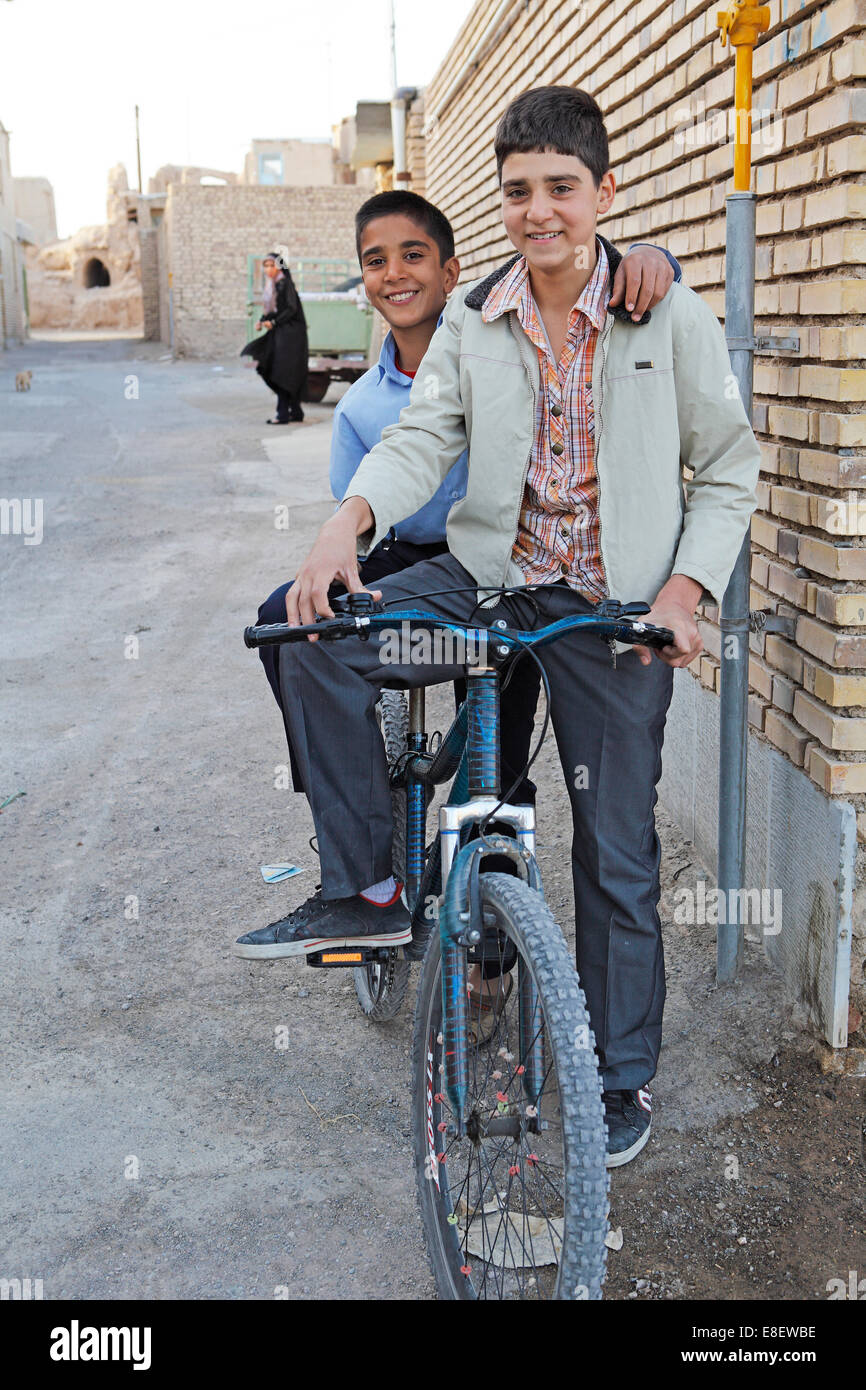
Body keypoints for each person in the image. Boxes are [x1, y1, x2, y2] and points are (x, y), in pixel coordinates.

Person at [234, 86, 760, 1166]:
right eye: (517, 190)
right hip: (486, 587)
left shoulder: (668, 311)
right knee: (306, 631)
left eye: (561, 188)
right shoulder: (476, 318)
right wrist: (346, 523)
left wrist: (682, 595)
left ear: (603, 193)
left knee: (615, 852)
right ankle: (367, 887)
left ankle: (619, 1077)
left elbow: (726, 470)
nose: (538, 211)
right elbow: (423, 438)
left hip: (614, 617)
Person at [256, 190, 681, 802]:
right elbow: (371, 504)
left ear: (450, 273)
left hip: (502, 555)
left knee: (497, 695)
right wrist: (336, 542)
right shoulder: (360, 406)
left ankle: (498, 814)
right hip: (414, 558)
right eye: (376, 262)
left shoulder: (497, 336)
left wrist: (651, 254)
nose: (396, 274)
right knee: (291, 619)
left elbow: (573, 266)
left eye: (413, 256)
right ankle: (350, 791)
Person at [241, 246, 308, 423]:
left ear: (279, 267)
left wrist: (274, 322)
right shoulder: (272, 285)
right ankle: (295, 412)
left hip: (291, 334)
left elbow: (291, 309)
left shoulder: (284, 283)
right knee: (283, 371)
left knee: (281, 372)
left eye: (271, 265)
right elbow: (274, 309)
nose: (268, 269)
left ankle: (283, 415)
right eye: (265, 266)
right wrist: (262, 320)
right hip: (282, 332)